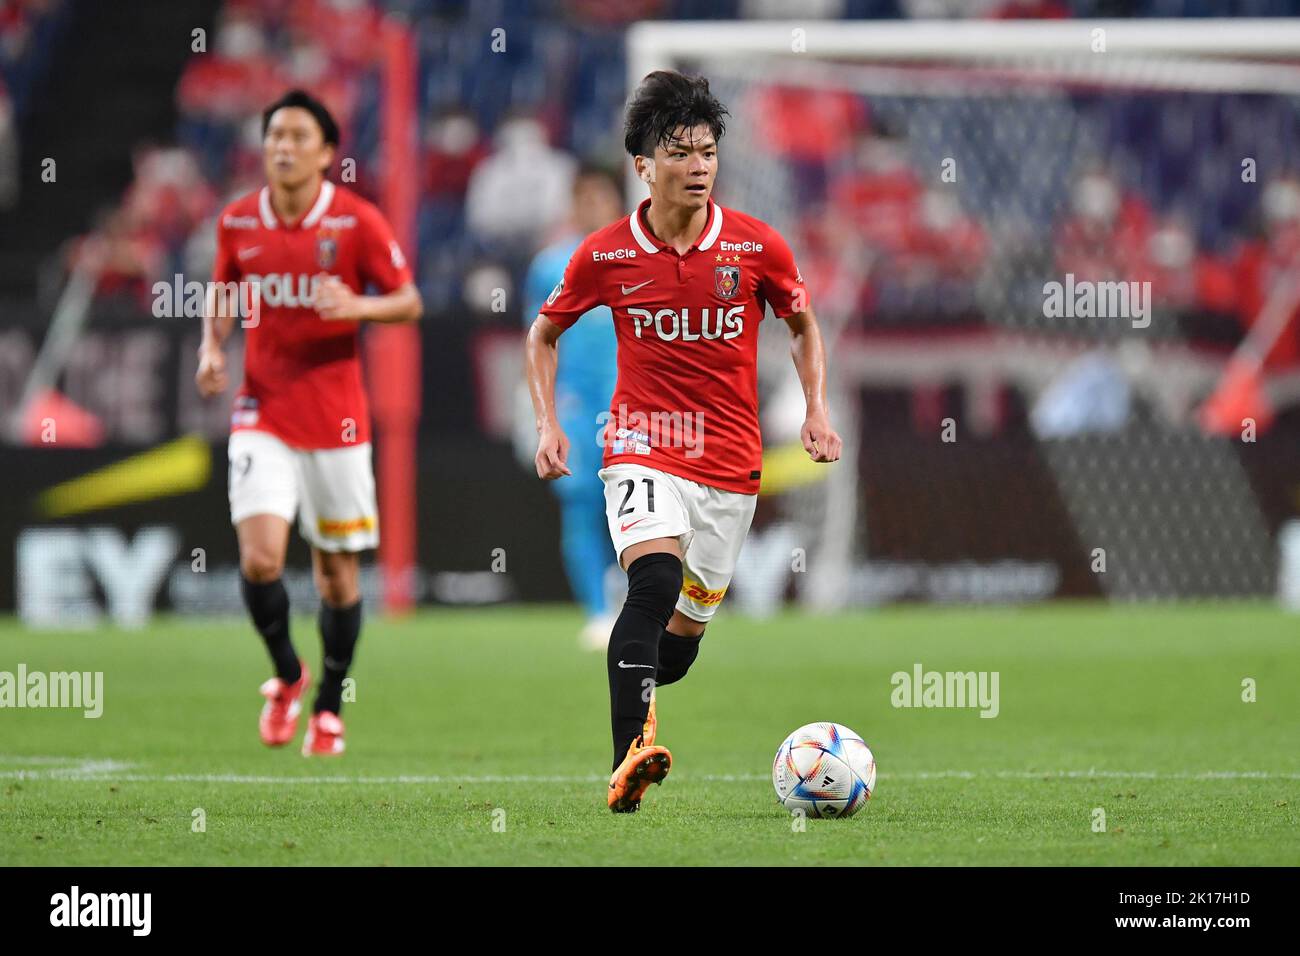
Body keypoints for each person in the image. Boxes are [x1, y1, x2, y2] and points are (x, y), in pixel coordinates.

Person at [525, 71, 842, 812]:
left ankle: (640, 697)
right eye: (681, 153)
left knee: (676, 650)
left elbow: (801, 324)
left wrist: (817, 410)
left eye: (707, 152)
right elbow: (543, 335)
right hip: (641, 443)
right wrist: (548, 421)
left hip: (731, 467)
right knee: (653, 583)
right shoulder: (604, 255)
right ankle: (627, 761)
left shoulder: (757, 246)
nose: (698, 166)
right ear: (644, 165)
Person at [195, 89, 422, 756]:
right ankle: (287, 675)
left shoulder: (356, 221)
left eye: (298, 136)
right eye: (274, 136)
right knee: (261, 559)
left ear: (326, 153)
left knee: (336, 580)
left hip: (339, 423)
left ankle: (328, 703)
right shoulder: (238, 220)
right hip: (262, 410)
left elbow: (408, 301)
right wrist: (213, 347)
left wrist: (356, 306)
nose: (283, 147)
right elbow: (224, 288)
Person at [522, 166, 623, 650]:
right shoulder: (550, 266)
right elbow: (538, 341)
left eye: (599, 198)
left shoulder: (638, 260)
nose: (591, 207)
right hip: (578, 407)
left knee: (641, 506)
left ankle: (642, 605)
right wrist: (544, 416)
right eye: (582, 198)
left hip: (636, 406)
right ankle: (598, 613)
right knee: (583, 506)